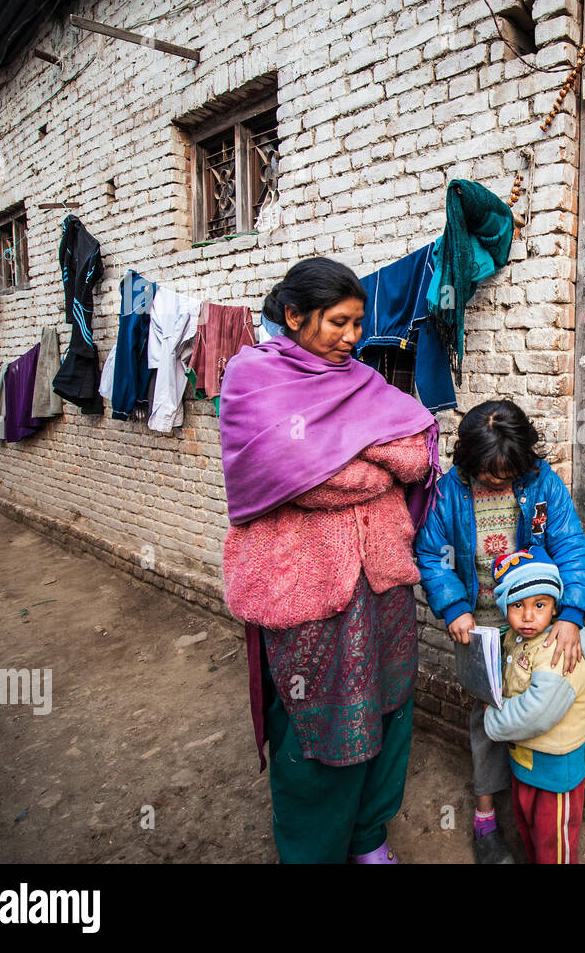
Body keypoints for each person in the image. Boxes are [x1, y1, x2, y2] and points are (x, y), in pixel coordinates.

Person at [219, 256, 441, 862]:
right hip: (305, 590)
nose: (353, 337)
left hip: (383, 581)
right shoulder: (251, 379)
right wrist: (371, 466)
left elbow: (420, 454)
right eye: (338, 323)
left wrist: (343, 459)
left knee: (388, 709)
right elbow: (290, 476)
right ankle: (313, 850)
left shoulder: (361, 380)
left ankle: (369, 835)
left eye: (357, 323)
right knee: (316, 724)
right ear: (294, 316)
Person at [415, 399, 585, 863]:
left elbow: (572, 549)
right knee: (487, 708)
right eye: (489, 473)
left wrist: (569, 615)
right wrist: (454, 606)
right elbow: (431, 555)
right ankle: (484, 818)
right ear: (469, 460)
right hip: (488, 617)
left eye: (508, 473)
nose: (499, 481)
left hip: (548, 600)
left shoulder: (542, 483)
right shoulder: (448, 493)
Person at [482, 549, 585, 864]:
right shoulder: (515, 638)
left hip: (555, 771)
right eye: (517, 606)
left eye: (539, 605)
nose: (527, 616)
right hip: (524, 762)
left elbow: (538, 711)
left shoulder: (559, 651)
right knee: (529, 831)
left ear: (554, 608)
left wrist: (492, 720)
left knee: (554, 843)